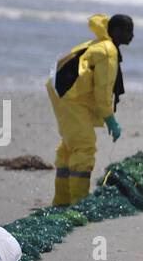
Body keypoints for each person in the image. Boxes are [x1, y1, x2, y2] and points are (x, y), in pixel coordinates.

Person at [46, 13, 134, 206]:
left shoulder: (96, 43)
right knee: (84, 145)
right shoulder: (108, 51)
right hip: (72, 97)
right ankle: (78, 202)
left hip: (62, 92)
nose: (132, 35)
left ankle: (62, 201)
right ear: (117, 31)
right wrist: (110, 119)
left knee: (70, 145)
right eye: (129, 30)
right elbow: (102, 91)